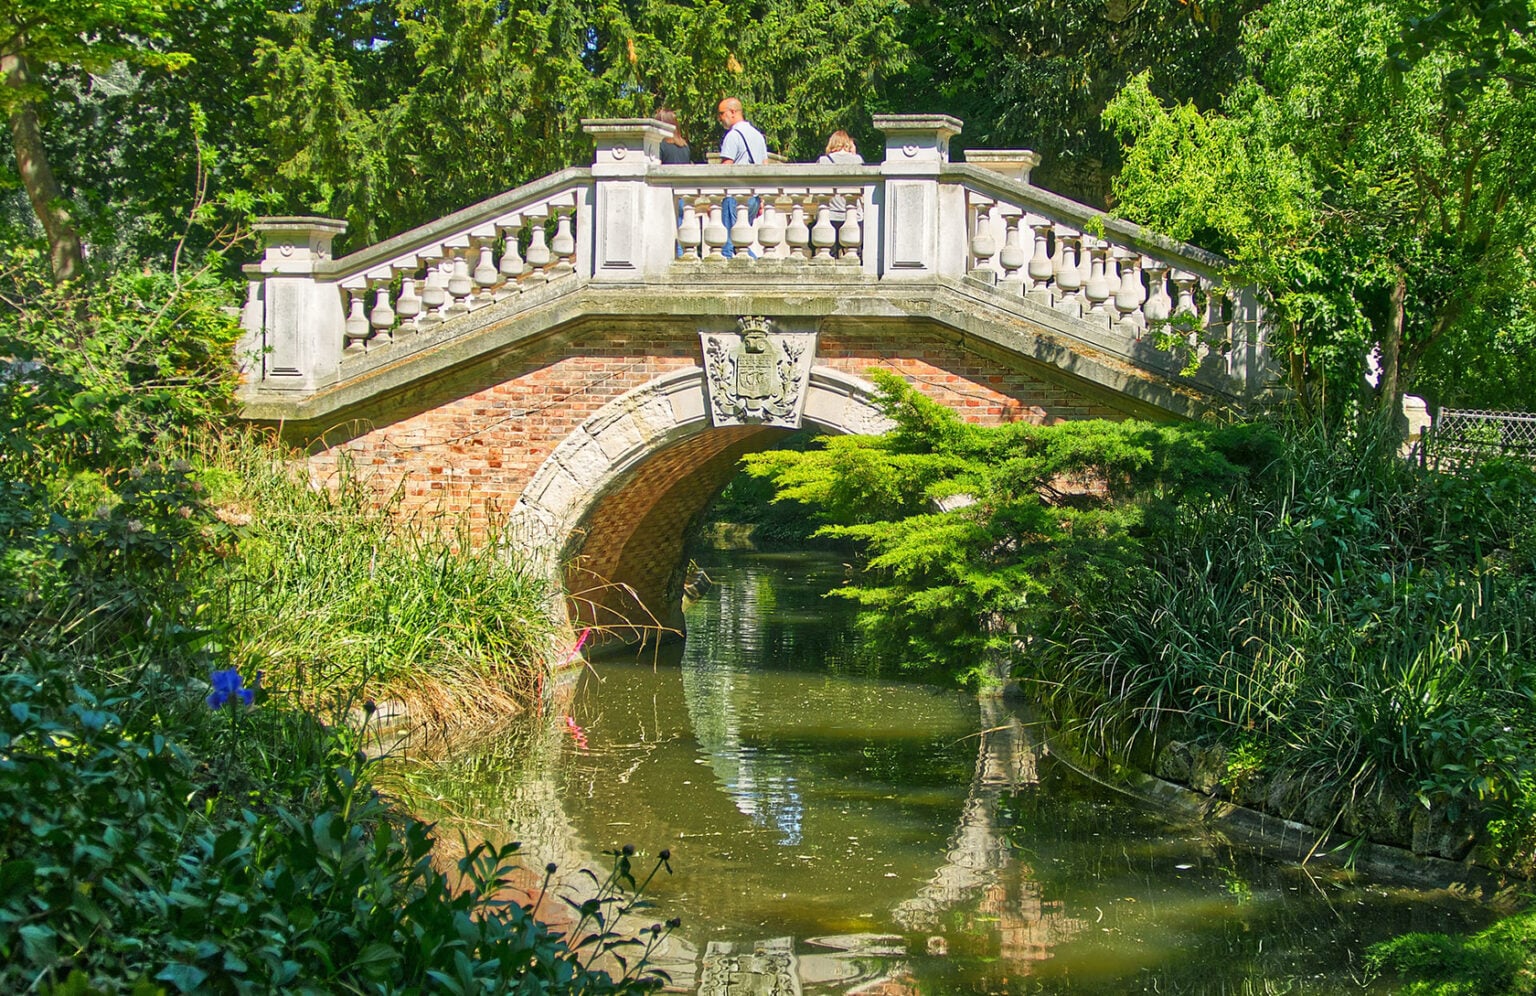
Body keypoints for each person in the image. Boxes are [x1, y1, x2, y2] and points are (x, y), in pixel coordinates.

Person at [716, 96, 767, 257]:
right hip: (754, 197)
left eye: (721, 114)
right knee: (741, 244)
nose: (720, 119)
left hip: (735, 197)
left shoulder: (733, 135)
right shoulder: (758, 135)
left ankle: (758, 271)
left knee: (730, 246)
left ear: (733, 112)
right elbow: (765, 167)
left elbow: (726, 168)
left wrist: (716, 196)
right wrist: (762, 199)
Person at [817, 130, 863, 237]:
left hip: (829, 213)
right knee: (855, 251)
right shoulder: (857, 160)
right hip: (853, 213)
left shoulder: (824, 161)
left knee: (828, 250)